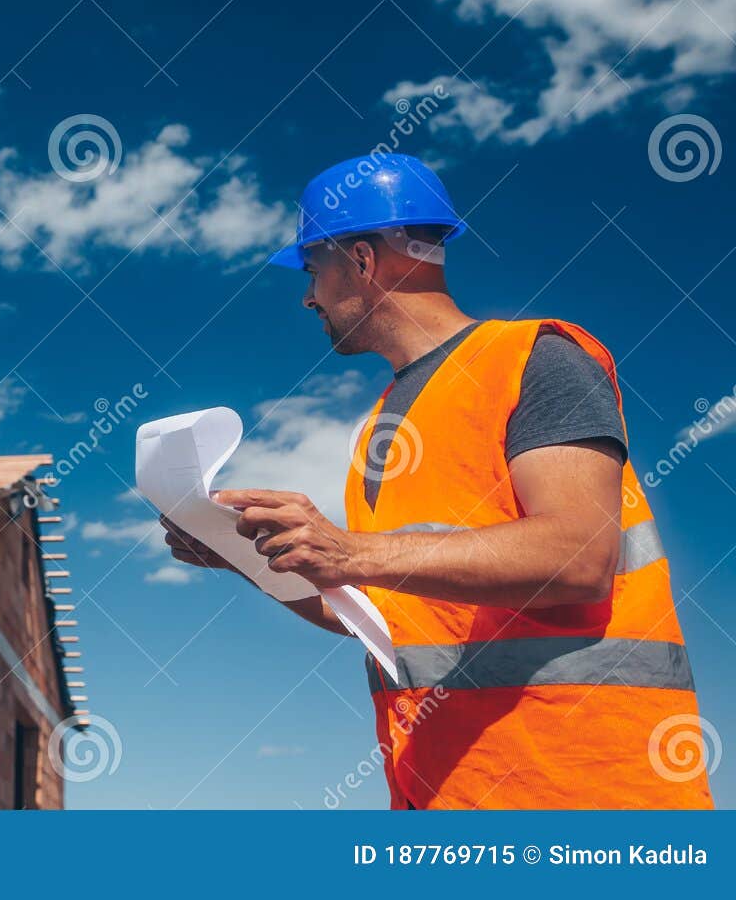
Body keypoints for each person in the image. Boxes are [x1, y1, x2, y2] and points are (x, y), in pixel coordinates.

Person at [163, 153, 713, 809]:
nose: (308, 295)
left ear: (362, 261)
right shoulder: (380, 429)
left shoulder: (534, 358)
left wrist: (348, 550)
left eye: (313, 270)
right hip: (448, 799)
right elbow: (388, 617)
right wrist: (243, 554)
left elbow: (578, 555)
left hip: (585, 793)